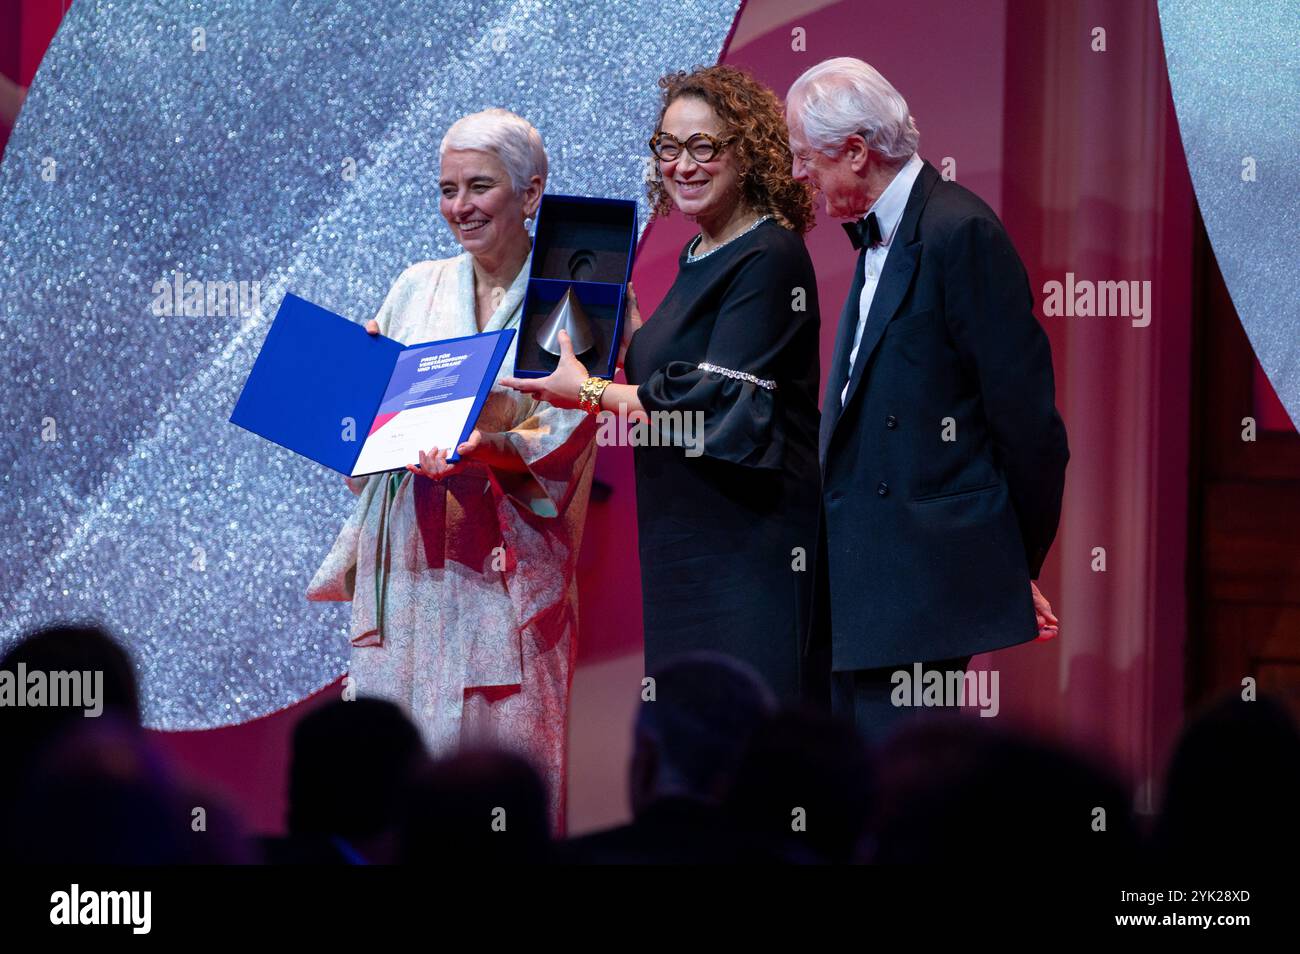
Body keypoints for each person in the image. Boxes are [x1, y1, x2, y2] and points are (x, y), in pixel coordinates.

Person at [307, 108, 598, 832]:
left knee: (503, 793)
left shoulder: (572, 291)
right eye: (446, 190)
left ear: (532, 194)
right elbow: (370, 440)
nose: (459, 208)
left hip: (505, 579)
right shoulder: (416, 286)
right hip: (408, 570)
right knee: (397, 799)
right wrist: (358, 380)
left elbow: (562, 430)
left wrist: (487, 448)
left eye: (479, 187)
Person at [502, 65, 821, 703]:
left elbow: (714, 406)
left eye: (704, 146)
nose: (683, 165)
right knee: (695, 756)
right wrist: (634, 342)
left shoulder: (770, 255)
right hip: (685, 546)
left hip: (752, 548)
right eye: (669, 148)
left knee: (751, 749)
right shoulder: (698, 254)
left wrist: (588, 392)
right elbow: (678, 381)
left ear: (748, 152)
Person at [785, 58, 1069, 738]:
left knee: (894, 803)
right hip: (858, 580)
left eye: (804, 157)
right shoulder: (883, 234)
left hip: (920, 586)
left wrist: (1005, 567)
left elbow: (1029, 428)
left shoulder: (959, 231)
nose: (798, 174)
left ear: (855, 151)